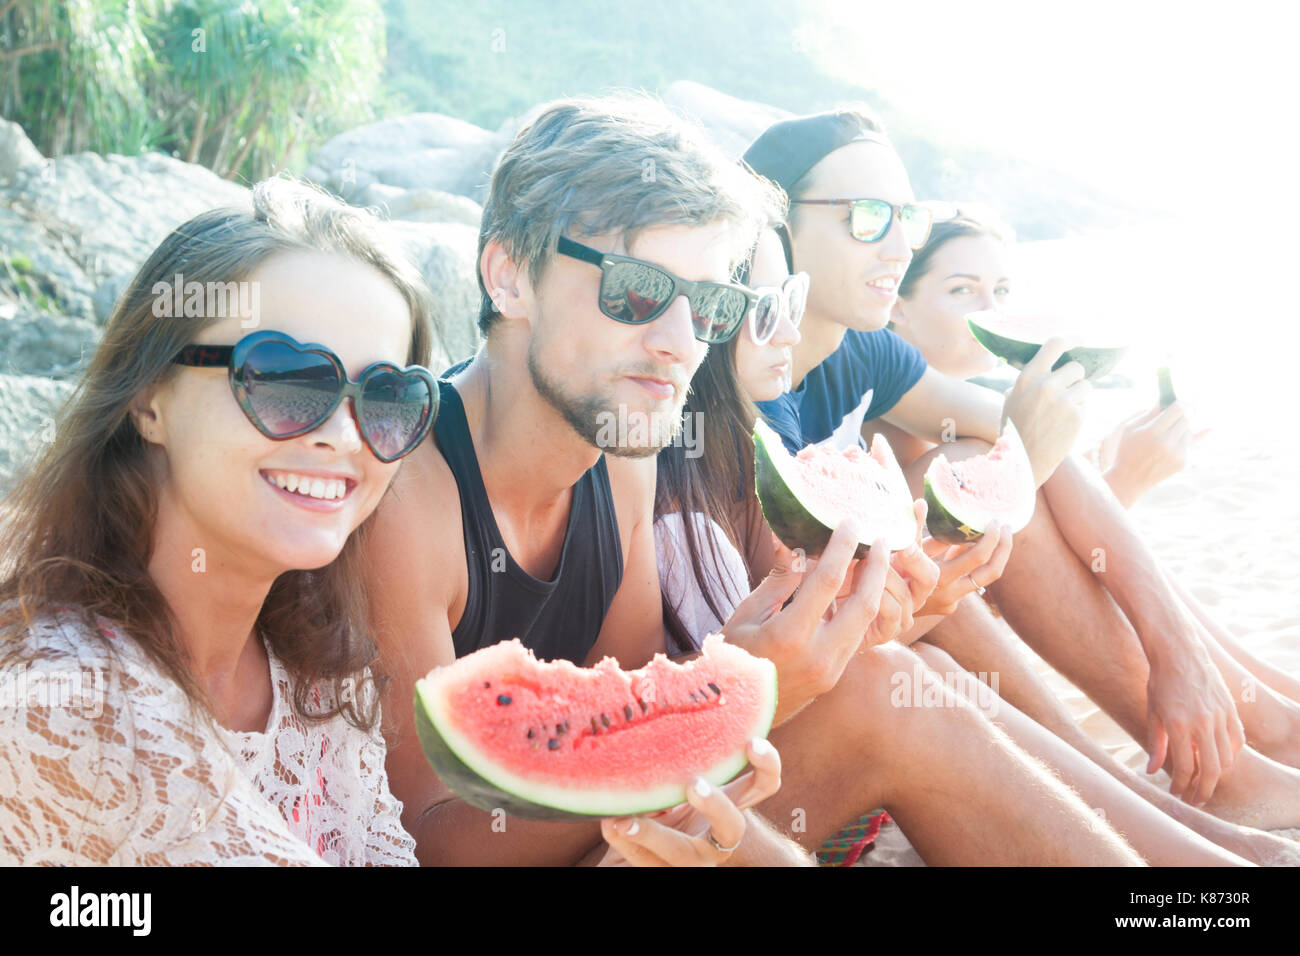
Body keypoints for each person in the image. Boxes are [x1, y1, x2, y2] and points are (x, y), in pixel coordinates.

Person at [0, 177, 763, 869]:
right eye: (289, 377)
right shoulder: (63, 715)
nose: (343, 433)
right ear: (149, 397)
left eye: (387, 398)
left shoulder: (316, 689)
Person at [653, 222, 1299, 865]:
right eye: (862, 216)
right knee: (905, 669)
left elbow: (1004, 453)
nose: (895, 245)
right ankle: (1191, 820)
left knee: (941, 581)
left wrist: (1174, 647)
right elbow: (698, 705)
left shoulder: (843, 366)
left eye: (787, 300)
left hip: (782, 737)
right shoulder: (697, 457)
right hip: (753, 776)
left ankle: (1225, 780)